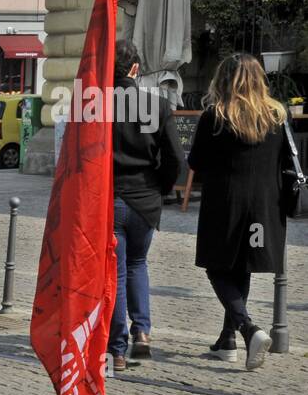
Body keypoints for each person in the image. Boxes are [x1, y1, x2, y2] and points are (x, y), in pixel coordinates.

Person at [188, 53, 292, 371]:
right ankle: (227, 341)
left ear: (223, 81)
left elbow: (196, 163)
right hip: (264, 206)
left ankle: (247, 329)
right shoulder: (276, 116)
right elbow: (286, 162)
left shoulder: (216, 116)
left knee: (218, 268)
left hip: (226, 204)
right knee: (241, 267)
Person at [107, 41, 184, 373]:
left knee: (117, 273)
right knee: (137, 265)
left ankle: (118, 351)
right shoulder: (158, 106)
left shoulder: (95, 105)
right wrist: (161, 189)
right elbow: (177, 159)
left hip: (109, 199)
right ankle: (143, 334)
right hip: (145, 200)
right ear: (135, 68)